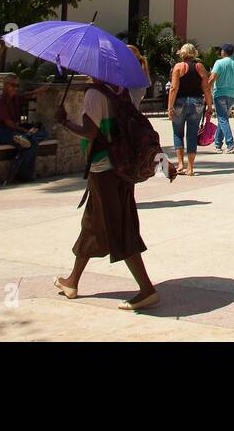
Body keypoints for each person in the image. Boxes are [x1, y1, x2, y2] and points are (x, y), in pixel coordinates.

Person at [53, 77, 159, 311]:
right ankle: (72, 281)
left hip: (103, 168)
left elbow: (90, 132)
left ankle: (146, 289)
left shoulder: (94, 94)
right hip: (122, 167)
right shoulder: (122, 89)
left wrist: (65, 122)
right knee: (92, 223)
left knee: (118, 225)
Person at [0, 75, 51, 183]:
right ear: (5, 86)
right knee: (33, 144)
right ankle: (25, 175)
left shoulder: (15, 98)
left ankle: (25, 138)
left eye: (17, 85)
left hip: (17, 130)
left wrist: (38, 91)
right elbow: (9, 124)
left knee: (42, 132)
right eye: (13, 85)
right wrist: (26, 131)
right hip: (4, 131)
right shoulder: (0, 103)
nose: (15, 88)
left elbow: (25, 96)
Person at [167, 43, 212, 175]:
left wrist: (170, 107)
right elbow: (206, 88)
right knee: (192, 134)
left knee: (177, 133)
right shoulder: (200, 67)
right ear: (194, 53)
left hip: (179, 103)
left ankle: (180, 165)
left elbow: (173, 88)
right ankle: (190, 168)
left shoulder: (178, 67)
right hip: (197, 103)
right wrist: (209, 105)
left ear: (182, 53)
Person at [207, 43, 234, 154]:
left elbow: (212, 78)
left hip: (219, 94)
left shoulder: (219, 63)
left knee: (222, 119)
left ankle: (231, 144)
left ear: (224, 51)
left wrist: (207, 90)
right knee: (223, 119)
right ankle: (218, 144)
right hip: (232, 94)